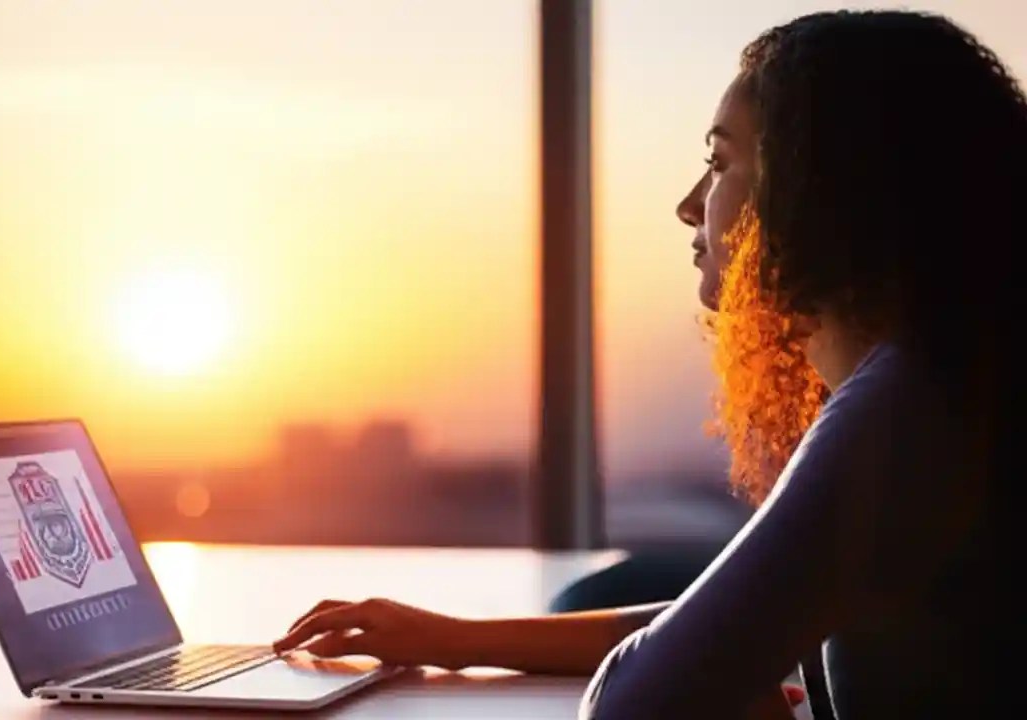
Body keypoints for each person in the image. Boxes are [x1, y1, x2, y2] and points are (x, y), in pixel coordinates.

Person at [273, 10, 1019, 719]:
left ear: (822, 192)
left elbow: (639, 699)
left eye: (720, 163)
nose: (691, 206)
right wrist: (458, 639)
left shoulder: (906, 408)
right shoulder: (947, 382)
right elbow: (727, 616)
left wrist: (712, 674)